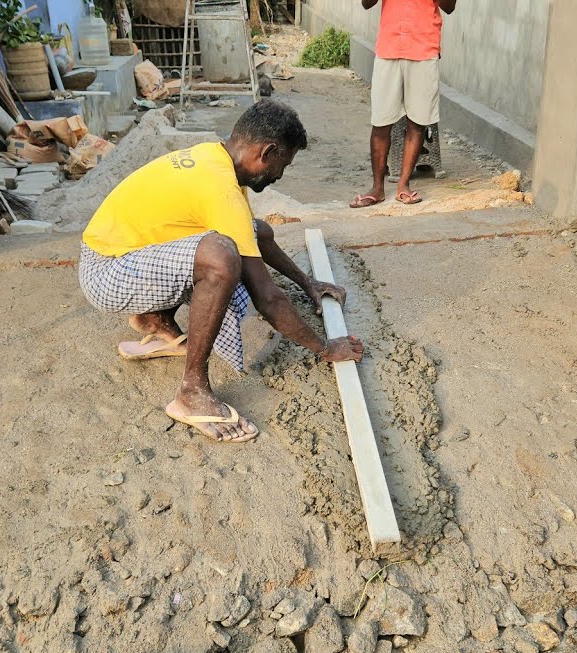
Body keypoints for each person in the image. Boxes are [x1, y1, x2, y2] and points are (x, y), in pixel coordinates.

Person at [78, 100, 364, 444]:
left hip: (123, 255)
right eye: (282, 165)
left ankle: (157, 322)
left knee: (253, 231)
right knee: (221, 257)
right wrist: (325, 348)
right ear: (267, 151)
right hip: (106, 273)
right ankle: (192, 392)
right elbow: (268, 299)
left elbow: (256, 237)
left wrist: (308, 284)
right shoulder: (220, 188)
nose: (279, 176)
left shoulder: (217, 160)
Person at [350, 0, 456, 209]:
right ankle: (377, 188)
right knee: (381, 122)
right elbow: (366, 4)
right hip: (389, 48)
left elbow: (449, 6)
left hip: (424, 49)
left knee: (417, 123)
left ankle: (403, 185)